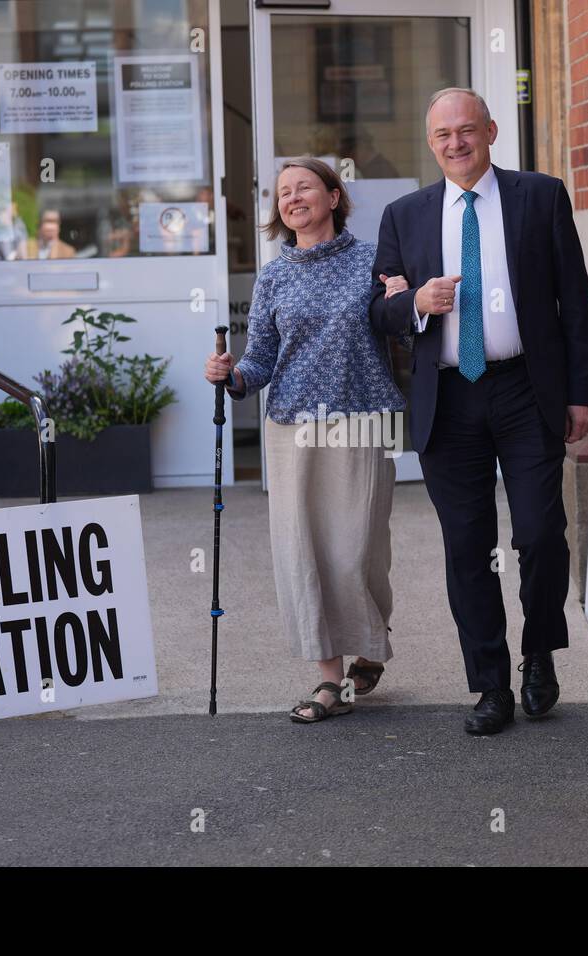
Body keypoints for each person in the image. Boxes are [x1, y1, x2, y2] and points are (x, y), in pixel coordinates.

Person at [369, 88, 588, 735]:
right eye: (442, 135)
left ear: (491, 131)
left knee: (539, 534)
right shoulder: (404, 215)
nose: (455, 143)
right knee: (467, 546)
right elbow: (378, 312)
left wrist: (582, 392)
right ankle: (491, 683)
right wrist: (416, 300)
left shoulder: (540, 196)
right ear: (431, 143)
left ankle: (539, 655)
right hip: (448, 397)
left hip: (527, 389)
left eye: (466, 130)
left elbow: (575, 303)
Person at [204, 157, 409, 723]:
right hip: (292, 426)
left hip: (363, 419)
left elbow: (405, 329)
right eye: (284, 192)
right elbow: (262, 357)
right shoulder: (273, 275)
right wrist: (233, 376)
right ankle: (328, 680)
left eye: (305, 188)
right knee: (306, 554)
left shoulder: (373, 259)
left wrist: (404, 298)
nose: (293, 198)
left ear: (334, 195)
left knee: (357, 550)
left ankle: (371, 638)